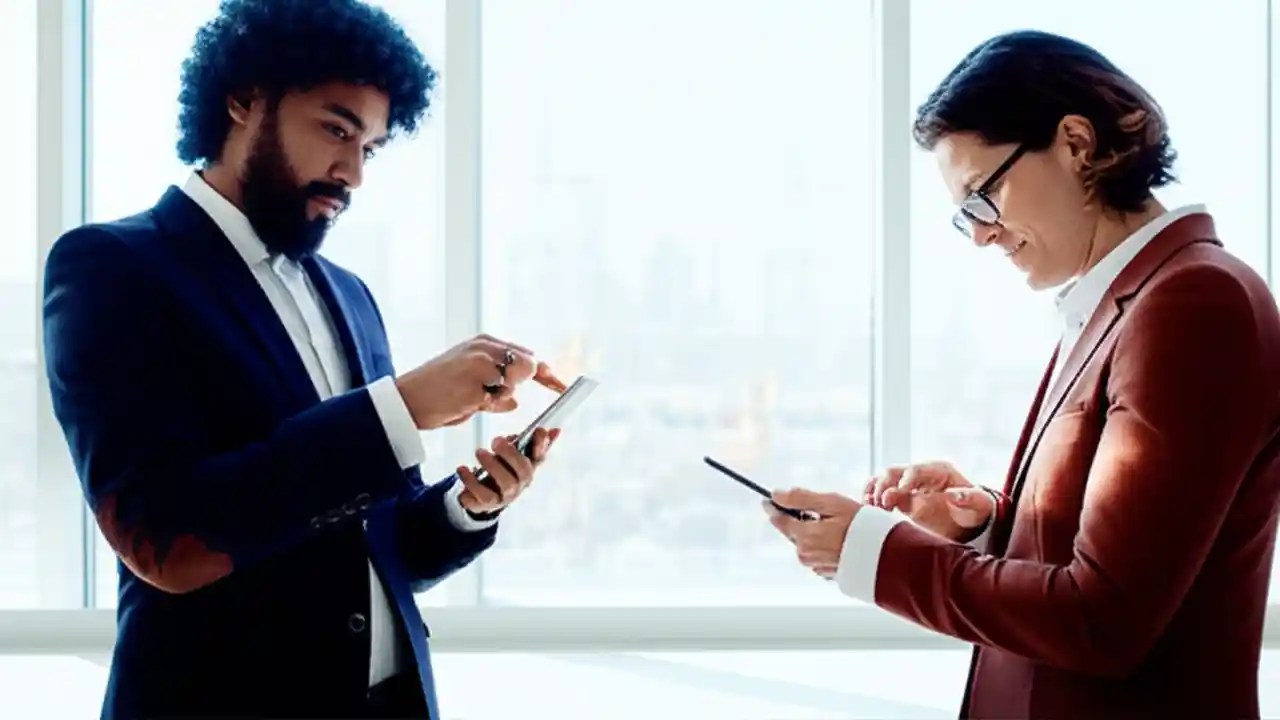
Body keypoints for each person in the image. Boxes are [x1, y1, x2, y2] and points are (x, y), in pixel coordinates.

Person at [42, 1, 567, 717]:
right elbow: (167, 537)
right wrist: (405, 408)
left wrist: (467, 507)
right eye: (335, 129)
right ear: (244, 100)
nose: (352, 172)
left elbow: (378, 550)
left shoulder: (349, 297)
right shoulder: (113, 268)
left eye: (372, 148)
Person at [763, 30, 1280, 719]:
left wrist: (877, 555)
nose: (981, 233)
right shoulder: (1127, 300)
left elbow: (1103, 619)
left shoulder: (1193, 304)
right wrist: (985, 523)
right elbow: (1119, 555)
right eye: (965, 214)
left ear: (1075, 143)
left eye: (984, 194)